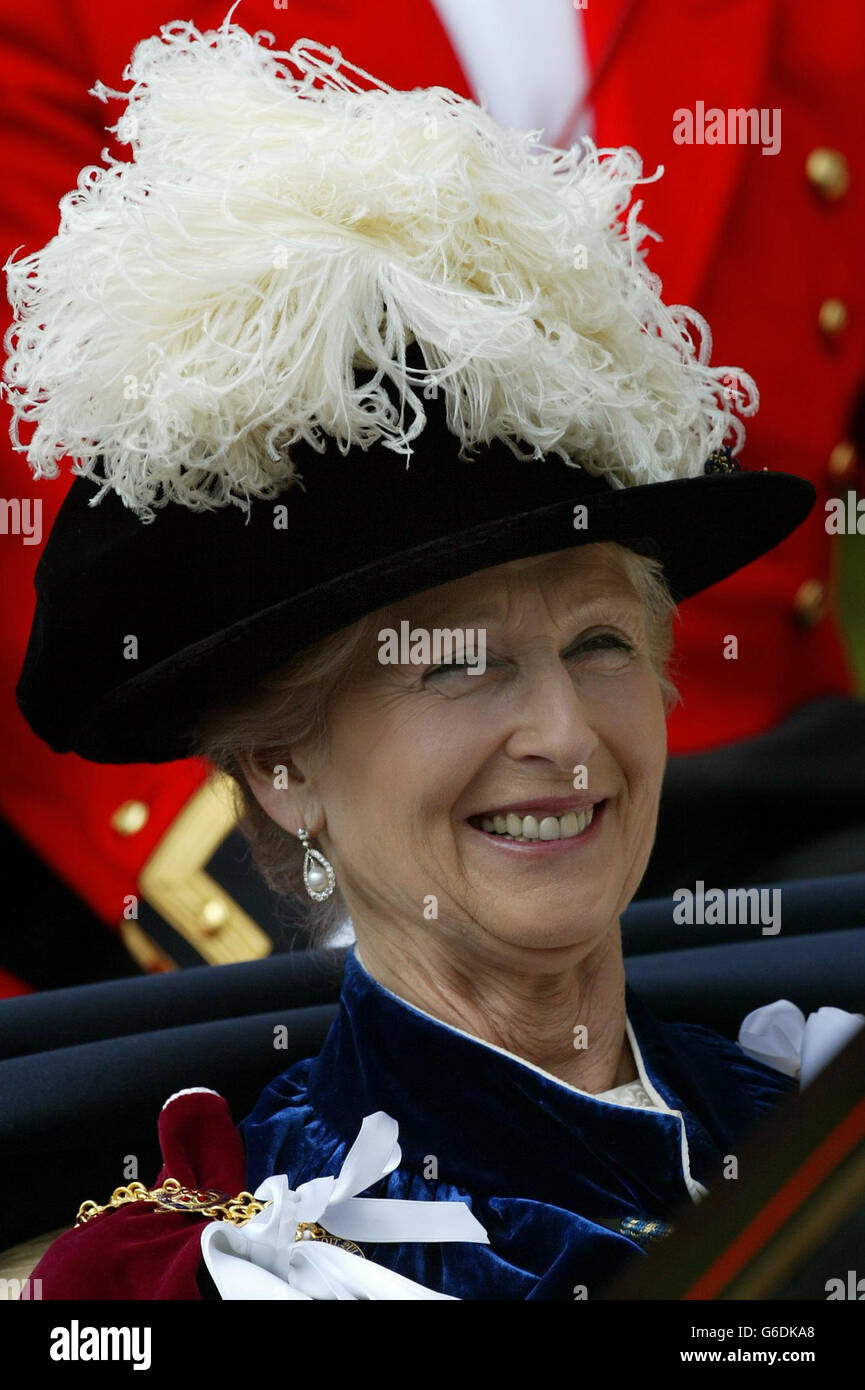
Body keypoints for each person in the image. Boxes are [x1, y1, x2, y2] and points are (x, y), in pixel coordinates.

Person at [5, 15, 860, 1300]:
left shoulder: (816, 1110)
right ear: (280, 765)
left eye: (601, 642)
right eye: (457, 663)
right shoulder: (222, 1279)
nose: (566, 734)